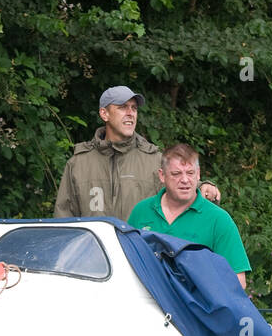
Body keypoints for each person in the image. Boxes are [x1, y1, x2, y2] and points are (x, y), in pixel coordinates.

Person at [53, 86, 219, 222]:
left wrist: (203, 187)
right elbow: (63, 218)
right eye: (122, 107)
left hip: (140, 257)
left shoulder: (153, 159)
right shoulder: (79, 163)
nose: (130, 113)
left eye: (134, 108)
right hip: (93, 259)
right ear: (104, 114)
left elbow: (180, 187)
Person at [128, 143, 251, 289]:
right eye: (176, 173)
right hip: (148, 306)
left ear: (198, 174)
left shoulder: (218, 220)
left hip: (196, 309)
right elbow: (126, 264)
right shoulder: (141, 211)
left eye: (190, 173)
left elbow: (238, 282)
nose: (185, 180)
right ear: (162, 175)